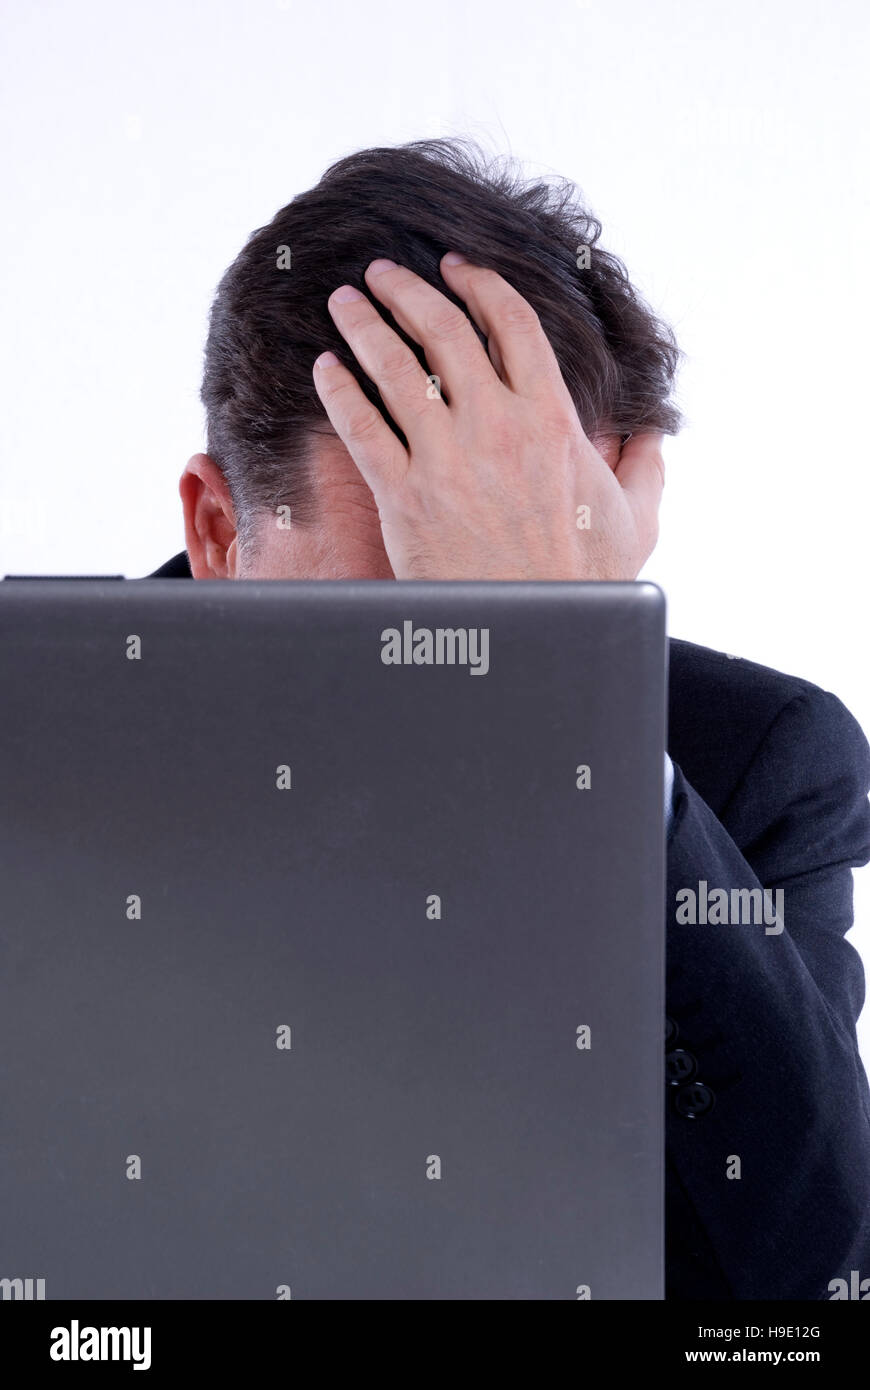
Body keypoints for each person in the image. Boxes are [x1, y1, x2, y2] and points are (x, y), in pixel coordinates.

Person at [149, 138, 870, 1299]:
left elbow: (814, 1287)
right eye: (397, 612)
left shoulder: (750, 772)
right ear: (223, 535)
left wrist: (577, 688)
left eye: (501, 596)